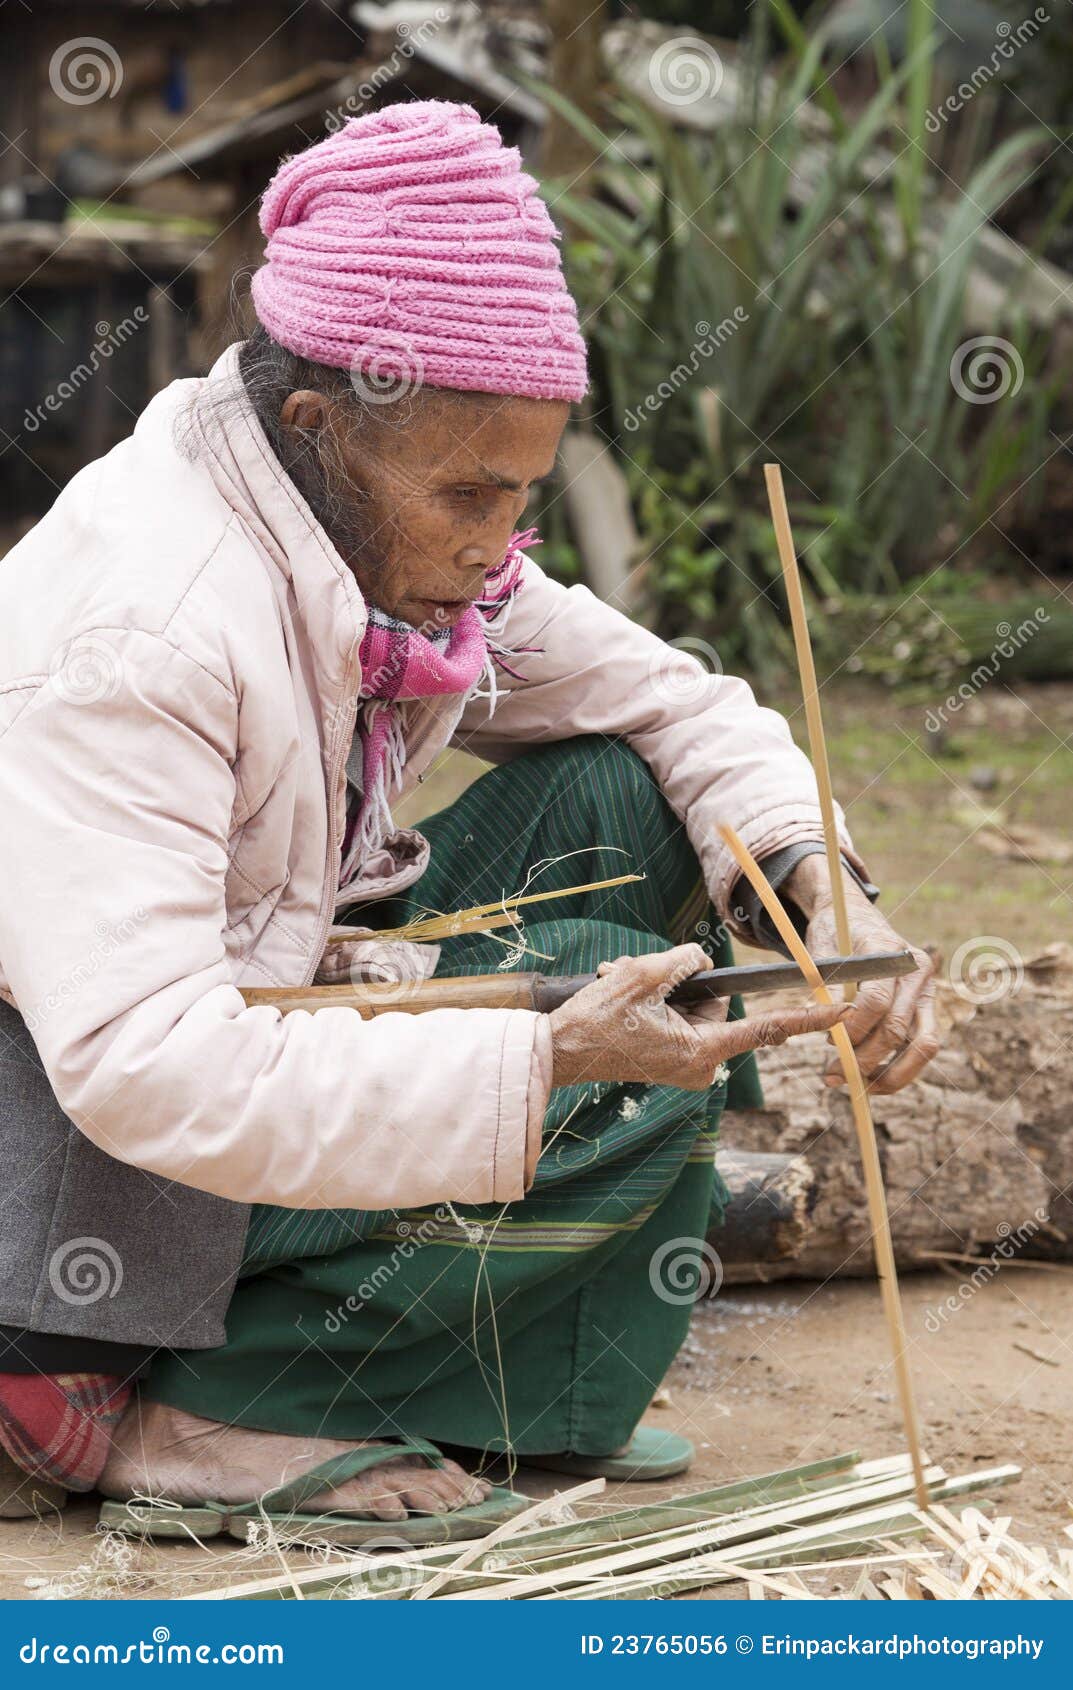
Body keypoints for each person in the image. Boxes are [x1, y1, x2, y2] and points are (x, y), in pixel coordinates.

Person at [0, 101, 936, 1540]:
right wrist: (542, 1053)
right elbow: (143, 1065)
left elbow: (679, 704)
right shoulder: (149, 629)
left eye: (521, 496)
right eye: (469, 494)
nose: (498, 545)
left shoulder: (375, 528)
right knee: (610, 1094)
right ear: (317, 423)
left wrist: (817, 882)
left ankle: (456, 1357)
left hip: (244, 1015)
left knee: (633, 796)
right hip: (62, 1166)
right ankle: (159, 1401)